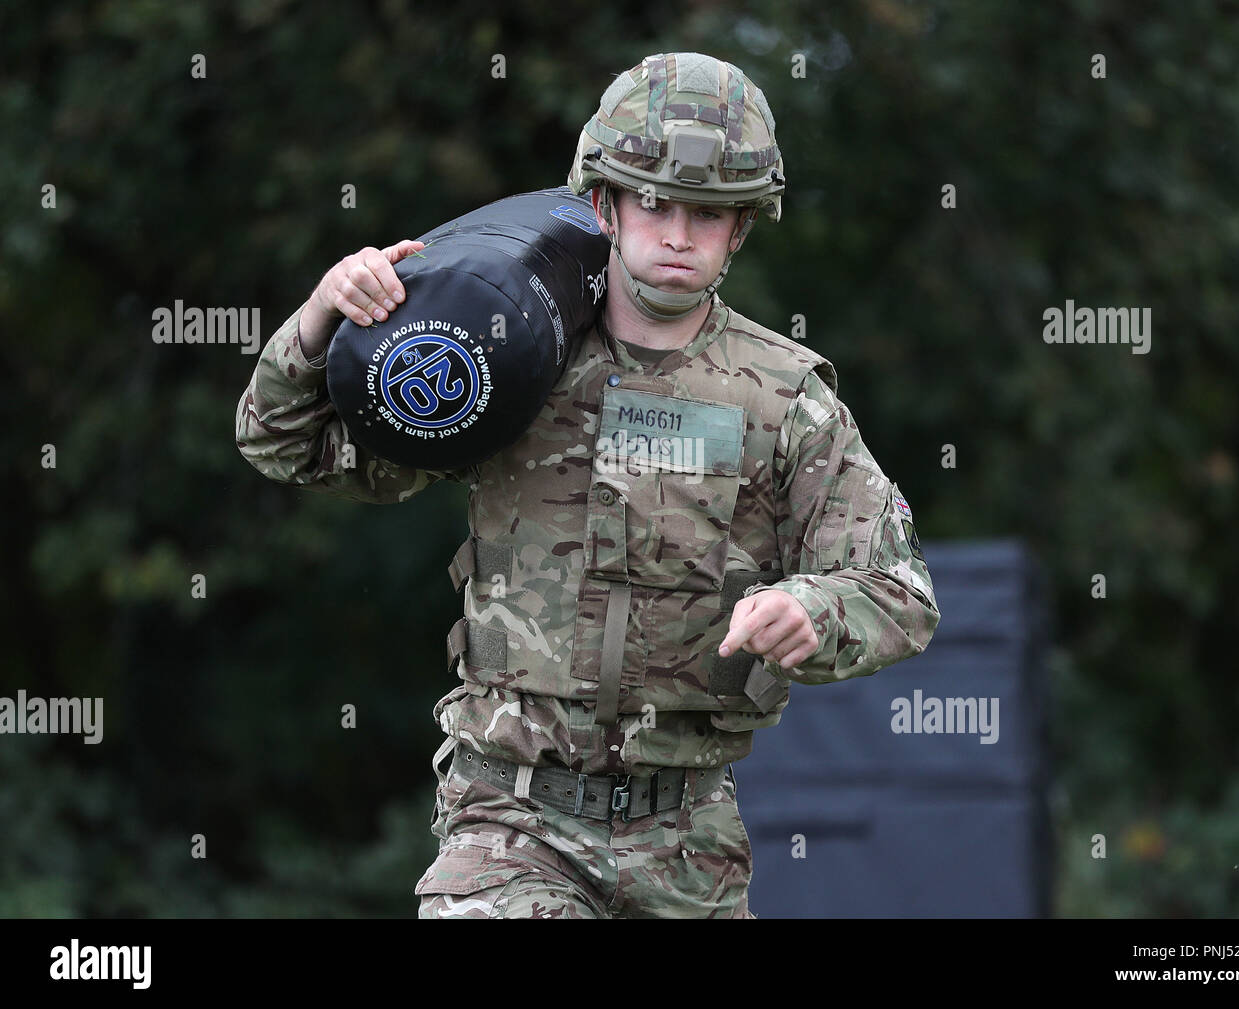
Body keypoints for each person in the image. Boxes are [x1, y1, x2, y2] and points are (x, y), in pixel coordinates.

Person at [235, 51, 940, 918]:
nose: (679, 232)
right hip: (508, 822)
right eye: (654, 202)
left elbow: (899, 589)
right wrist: (322, 316)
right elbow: (286, 445)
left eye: (710, 213)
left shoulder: (785, 399)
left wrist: (813, 609)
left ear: (743, 228)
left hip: (688, 841)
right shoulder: (512, 355)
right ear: (603, 203)